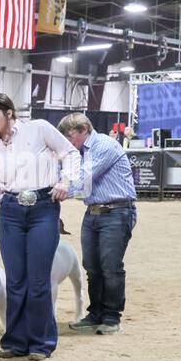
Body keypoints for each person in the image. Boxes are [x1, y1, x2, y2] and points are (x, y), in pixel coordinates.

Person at [0, 94, 82, 359]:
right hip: (10, 211)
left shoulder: (39, 129)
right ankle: (15, 341)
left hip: (43, 207)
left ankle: (41, 342)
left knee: (38, 280)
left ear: (9, 113)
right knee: (15, 281)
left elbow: (70, 153)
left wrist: (65, 181)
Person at [58, 112, 138, 335]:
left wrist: (57, 190)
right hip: (93, 213)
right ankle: (95, 314)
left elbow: (82, 179)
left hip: (117, 211)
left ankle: (112, 317)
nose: (67, 141)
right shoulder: (77, 152)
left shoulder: (104, 145)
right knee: (92, 266)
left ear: (84, 129)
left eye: (70, 135)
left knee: (110, 267)